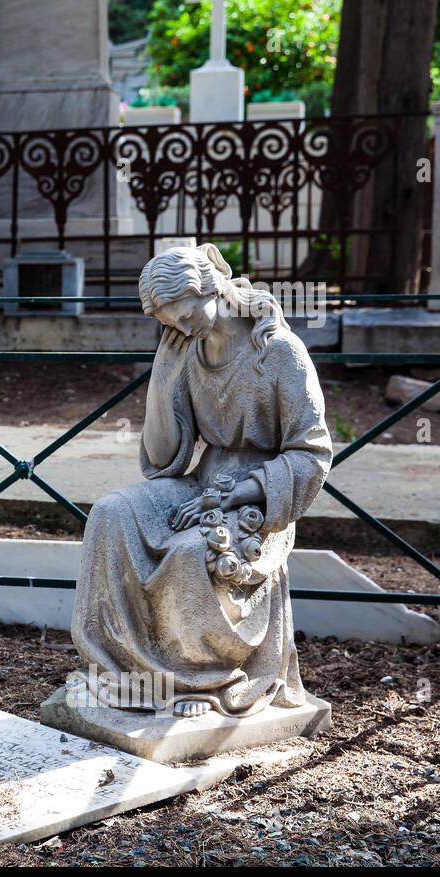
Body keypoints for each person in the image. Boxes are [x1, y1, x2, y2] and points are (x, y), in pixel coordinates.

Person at [70, 244, 332, 718]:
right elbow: (164, 461)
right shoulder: (186, 352)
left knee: (194, 550)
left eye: (184, 313)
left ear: (209, 287)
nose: (179, 327)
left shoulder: (277, 352)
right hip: (199, 483)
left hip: (259, 496)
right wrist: (164, 378)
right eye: (168, 321)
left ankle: (200, 680)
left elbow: (312, 453)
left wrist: (239, 491)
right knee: (110, 512)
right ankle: (125, 668)